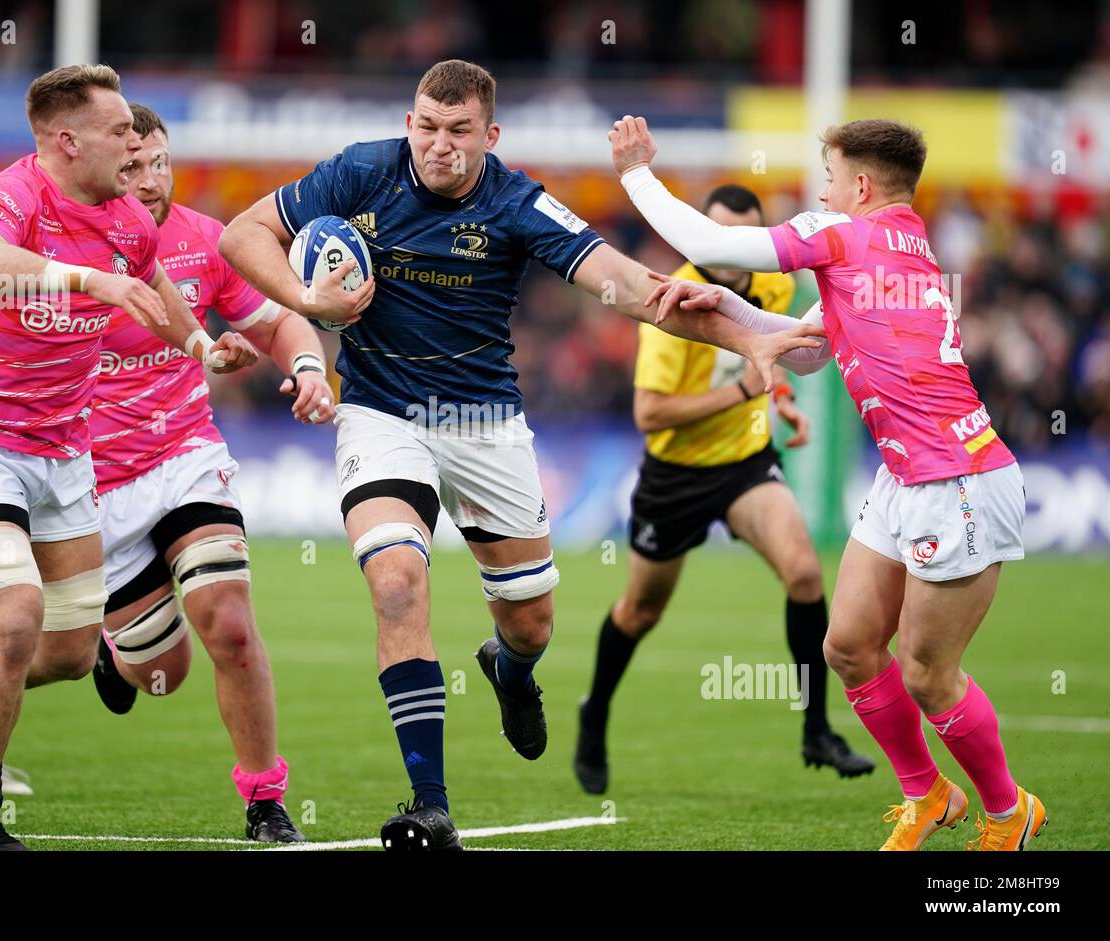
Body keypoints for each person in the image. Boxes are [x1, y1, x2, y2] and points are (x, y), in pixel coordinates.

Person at [220, 59, 822, 851]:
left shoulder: (516, 200)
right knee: (396, 583)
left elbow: (630, 285)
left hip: (486, 425)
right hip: (379, 414)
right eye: (427, 128)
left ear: (489, 135)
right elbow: (242, 234)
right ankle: (429, 804)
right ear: (410, 124)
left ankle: (510, 668)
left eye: (459, 132)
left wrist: (751, 335)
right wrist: (308, 302)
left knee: (531, 622)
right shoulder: (360, 171)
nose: (439, 146)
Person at [612, 115, 1044, 850]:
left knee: (926, 673)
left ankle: (1008, 813)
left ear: (861, 185)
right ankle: (928, 795)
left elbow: (711, 245)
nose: (822, 188)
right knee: (845, 645)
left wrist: (634, 173)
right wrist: (728, 314)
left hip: (960, 477)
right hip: (907, 476)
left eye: (830, 176)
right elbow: (808, 354)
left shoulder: (842, 233)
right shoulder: (898, 246)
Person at [0, 64, 252, 851]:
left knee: (67, 653)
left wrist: (203, 344)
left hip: (66, 450)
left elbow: (156, 290)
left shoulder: (126, 217)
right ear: (66, 141)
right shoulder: (12, 197)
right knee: (15, 615)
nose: (133, 145)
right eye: (117, 135)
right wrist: (87, 279)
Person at [86, 103, 336, 842]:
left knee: (228, 623)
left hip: (186, 458)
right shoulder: (63, 251)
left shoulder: (206, 242)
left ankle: (265, 801)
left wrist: (306, 367)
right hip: (94, 486)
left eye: (158, 162)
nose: (149, 180)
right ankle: (111, 651)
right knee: (164, 672)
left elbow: (283, 320)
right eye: (131, 166)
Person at [575, 183, 874, 795]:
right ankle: (594, 713)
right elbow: (650, 415)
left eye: (743, 241)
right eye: (719, 241)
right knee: (641, 610)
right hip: (675, 476)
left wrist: (782, 399)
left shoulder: (778, 285)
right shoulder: (670, 305)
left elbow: (768, 355)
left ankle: (818, 730)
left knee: (805, 575)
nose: (733, 259)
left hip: (744, 462)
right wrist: (744, 394)